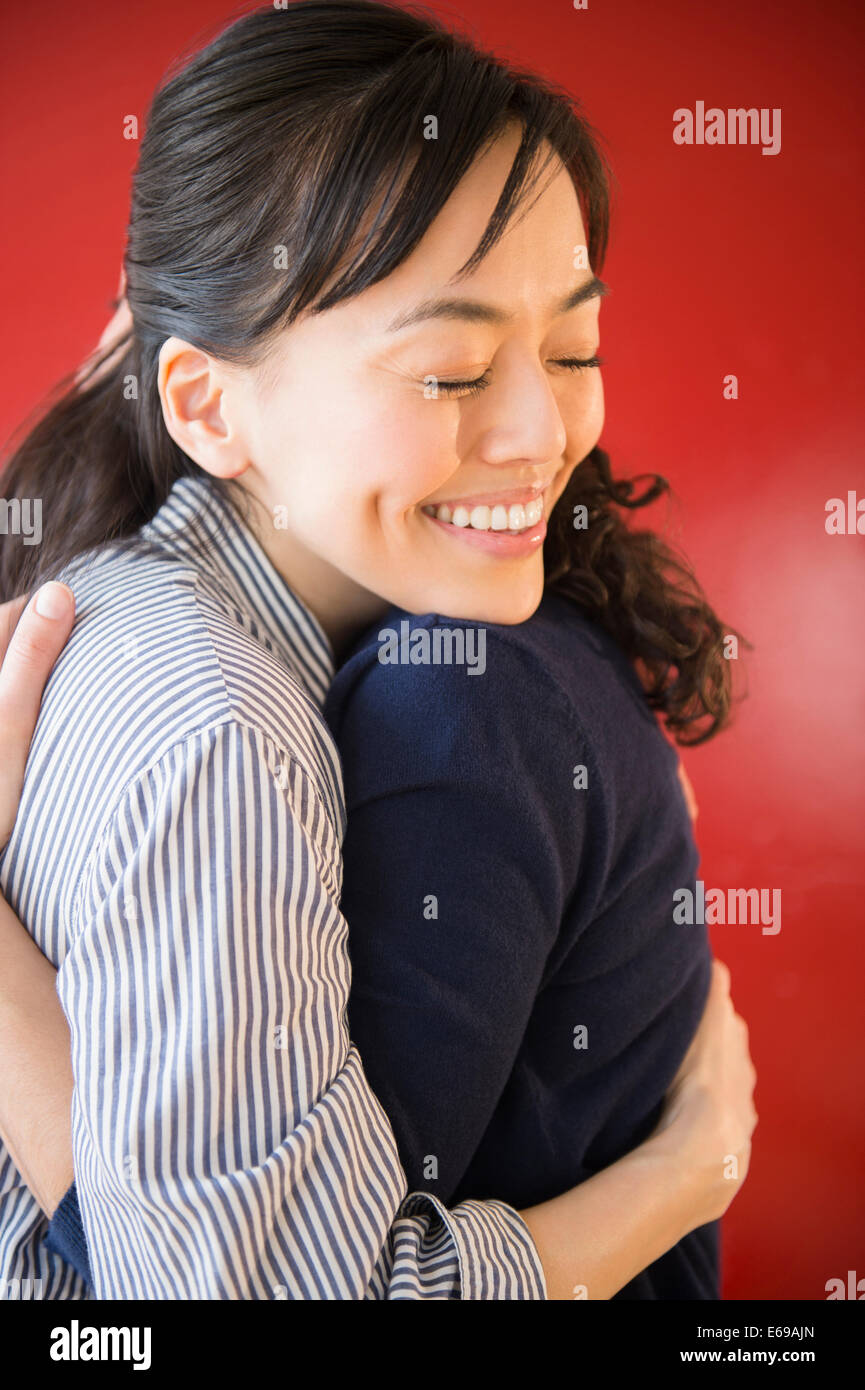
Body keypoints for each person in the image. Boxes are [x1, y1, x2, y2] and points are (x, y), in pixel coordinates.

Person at [0, 1, 756, 1300]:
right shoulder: (222, 736)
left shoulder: (127, 573)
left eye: (573, 345)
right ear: (204, 403)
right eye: (453, 372)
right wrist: (676, 1180)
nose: (542, 431)